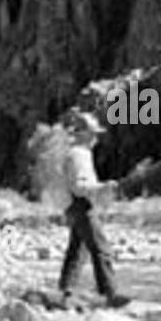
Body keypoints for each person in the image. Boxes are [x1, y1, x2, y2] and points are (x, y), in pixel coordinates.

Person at [59, 111, 129, 309]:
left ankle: (66, 291)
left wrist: (101, 189)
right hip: (81, 206)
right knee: (101, 248)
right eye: (93, 133)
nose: (96, 138)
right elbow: (79, 187)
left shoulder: (78, 153)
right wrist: (104, 187)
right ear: (82, 134)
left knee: (77, 249)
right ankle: (110, 294)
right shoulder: (79, 155)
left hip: (74, 206)